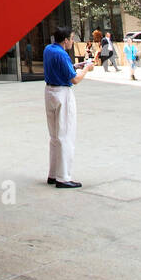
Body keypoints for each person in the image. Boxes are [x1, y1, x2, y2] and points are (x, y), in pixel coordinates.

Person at [43, 26, 93, 189]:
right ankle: (63, 177)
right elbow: (75, 80)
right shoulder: (62, 54)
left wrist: (76, 65)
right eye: (71, 38)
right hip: (62, 93)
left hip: (49, 91)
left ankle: (53, 174)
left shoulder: (49, 49)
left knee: (54, 136)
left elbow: (63, 67)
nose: (72, 41)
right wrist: (86, 68)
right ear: (65, 40)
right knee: (65, 134)